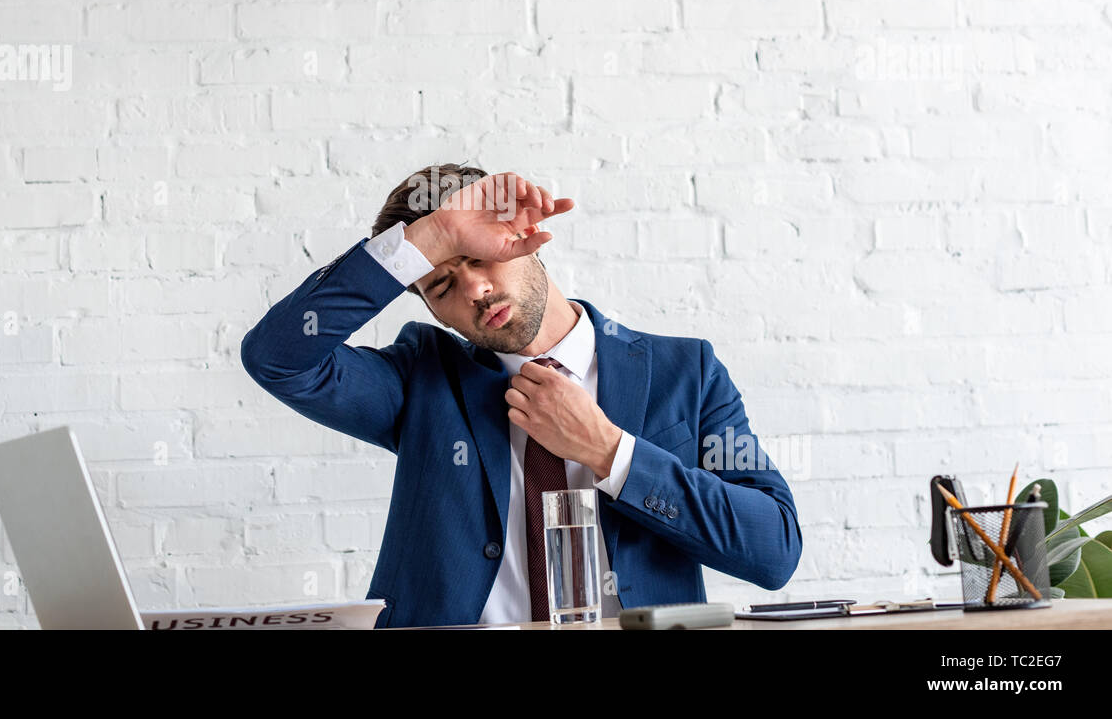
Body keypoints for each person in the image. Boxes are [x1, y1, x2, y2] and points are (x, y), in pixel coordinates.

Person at [240, 163, 802, 628]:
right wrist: (431, 238)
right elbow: (277, 358)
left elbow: (773, 548)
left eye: (480, 259)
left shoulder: (685, 371)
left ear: (524, 239)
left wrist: (611, 452)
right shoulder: (423, 378)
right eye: (441, 283)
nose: (476, 289)